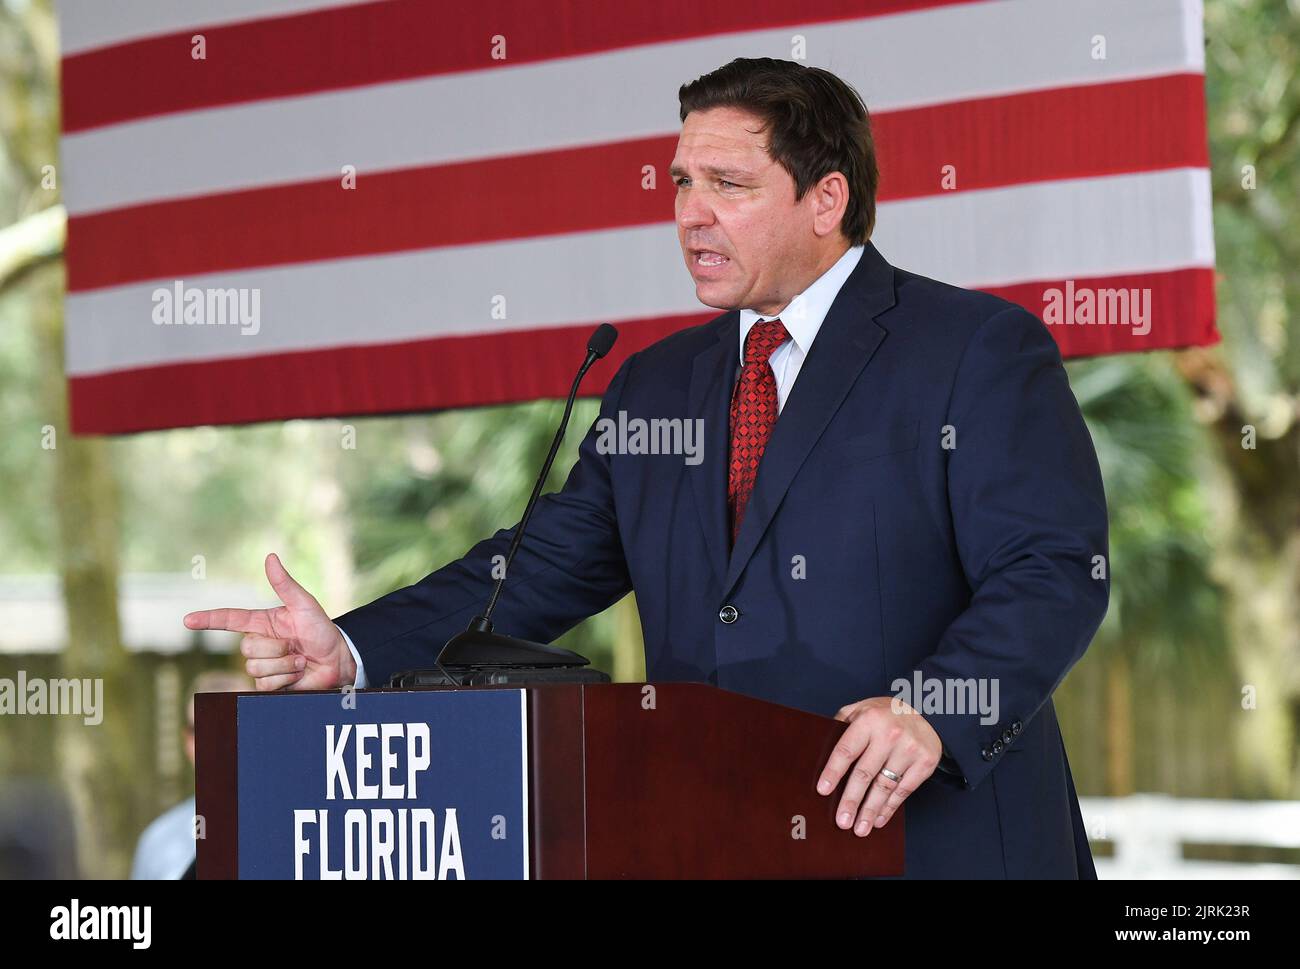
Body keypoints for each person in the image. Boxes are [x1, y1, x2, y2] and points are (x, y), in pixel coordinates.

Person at [185, 58, 1109, 878]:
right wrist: (350, 648)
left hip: (932, 842)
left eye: (727, 184)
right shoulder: (655, 385)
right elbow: (538, 566)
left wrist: (933, 711)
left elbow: (1052, 571)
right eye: (679, 183)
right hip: (717, 838)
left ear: (826, 199)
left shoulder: (972, 348)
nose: (688, 213)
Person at [131, 670, 249, 879]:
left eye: (233, 727)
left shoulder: (295, 832)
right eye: (203, 729)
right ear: (187, 740)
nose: (218, 744)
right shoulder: (159, 843)